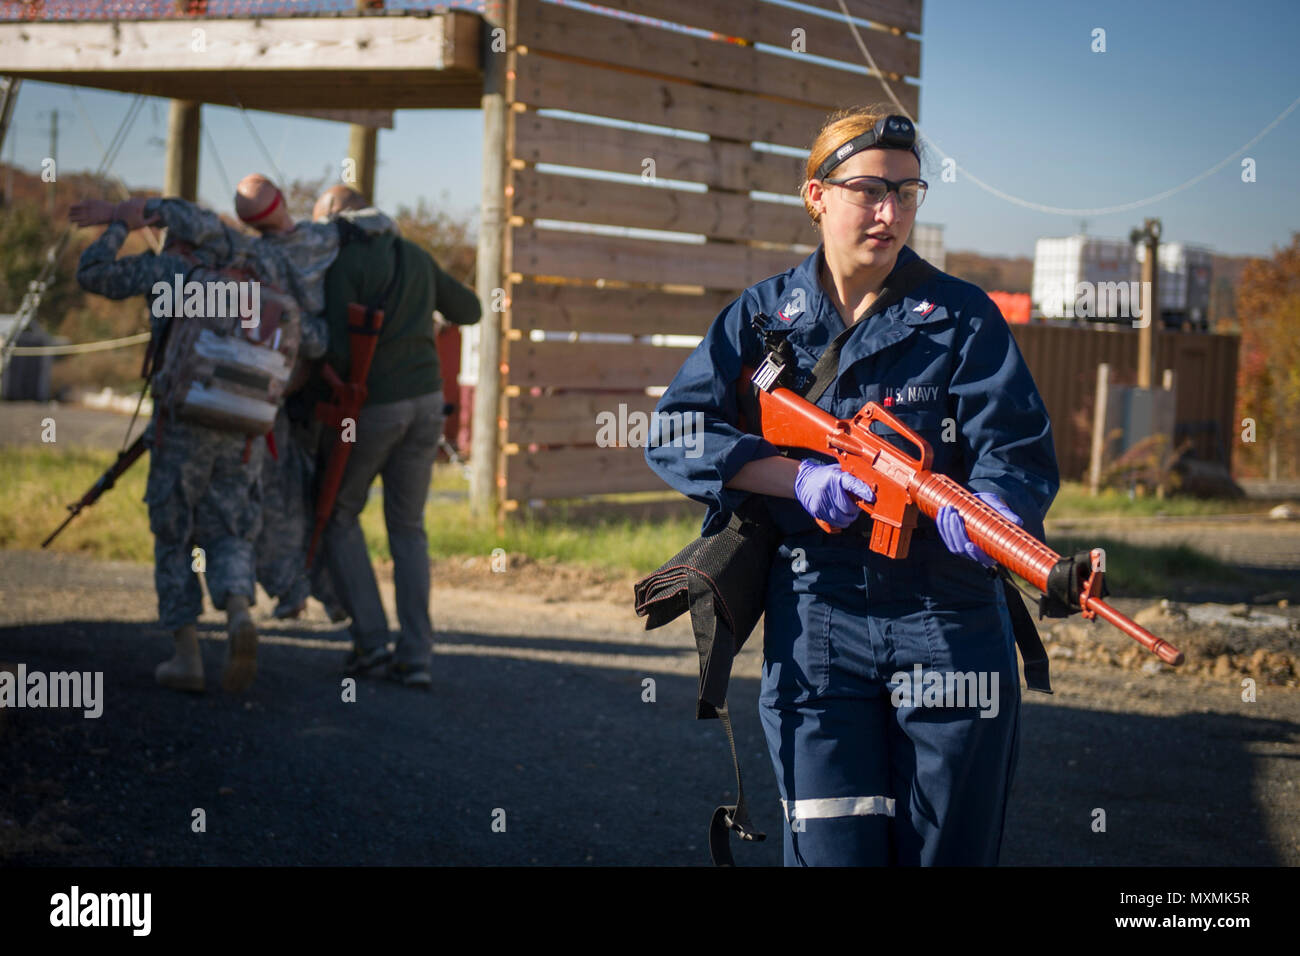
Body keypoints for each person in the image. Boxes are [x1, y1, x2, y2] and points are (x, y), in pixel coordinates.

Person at [644, 106, 1060, 866]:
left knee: (947, 853)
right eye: (869, 190)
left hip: (949, 621)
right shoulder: (763, 318)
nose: (888, 211)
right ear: (817, 196)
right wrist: (798, 478)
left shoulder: (962, 317)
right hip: (816, 620)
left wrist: (994, 510)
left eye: (907, 193)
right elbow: (673, 433)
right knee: (833, 849)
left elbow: (1019, 448)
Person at [71, 199, 284, 693]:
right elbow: (309, 338)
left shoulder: (171, 270)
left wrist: (120, 224)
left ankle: (187, 657)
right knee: (229, 528)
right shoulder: (260, 271)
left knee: (174, 533)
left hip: (182, 421)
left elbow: (93, 274)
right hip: (246, 428)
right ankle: (236, 613)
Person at [309, 186, 482, 687]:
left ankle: (369, 645)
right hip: (429, 404)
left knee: (340, 515)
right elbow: (470, 309)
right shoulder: (414, 256)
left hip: (373, 409)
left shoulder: (343, 263)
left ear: (338, 220)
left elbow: (337, 351)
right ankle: (416, 657)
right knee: (408, 527)